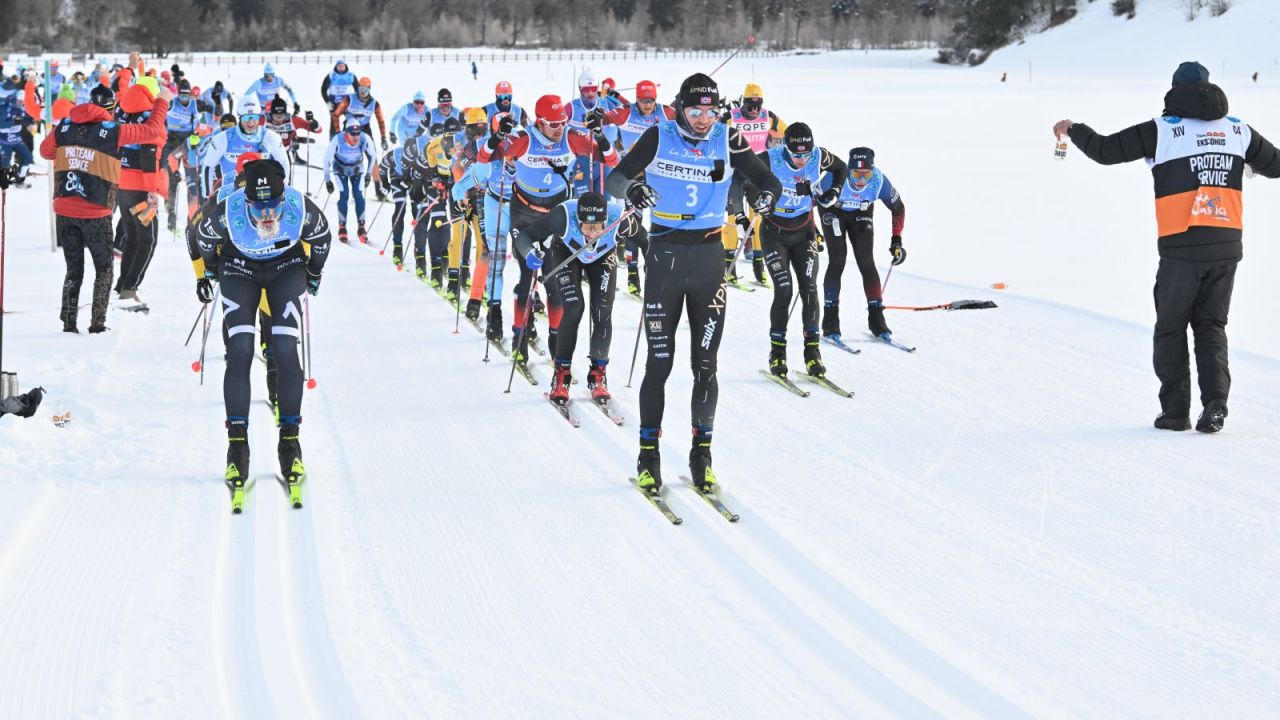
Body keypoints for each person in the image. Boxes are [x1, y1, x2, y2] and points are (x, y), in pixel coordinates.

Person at [1053, 61, 1280, 433]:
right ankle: (1216, 404)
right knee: (1211, 327)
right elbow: (1277, 165)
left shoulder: (1163, 130)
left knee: (1171, 328)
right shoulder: (1238, 129)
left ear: (1174, 93)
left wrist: (1072, 129)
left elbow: (1106, 151)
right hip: (1226, 245)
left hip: (1181, 248)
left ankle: (1175, 413)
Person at [606, 73, 781, 495]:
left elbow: (769, 181)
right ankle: (648, 455)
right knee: (659, 364)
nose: (703, 119)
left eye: (710, 110)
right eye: (694, 110)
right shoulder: (658, 135)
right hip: (665, 257)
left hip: (708, 260)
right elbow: (615, 179)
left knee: (705, 365)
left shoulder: (729, 138)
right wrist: (633, 192)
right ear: (680, 107)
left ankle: (701, 455)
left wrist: (764, 199)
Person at [194, 159, 331, 495]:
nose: (267, 215)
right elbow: (201, 239)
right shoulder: (228, 211)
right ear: (247, 201)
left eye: (274, 206)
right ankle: (237, 447)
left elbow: (323, 239)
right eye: (259, 208)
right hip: (239, 268)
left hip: (287, 268)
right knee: (240, 350)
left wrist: (313, 273)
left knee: (285, 349)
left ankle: (290, 444)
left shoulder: (300, 206)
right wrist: (210, 271)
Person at [477, 94, 618, 359]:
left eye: (563, 122)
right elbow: (484, 158)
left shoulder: (571, 137)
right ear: (539, 122)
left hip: (557, 215)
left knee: (554, 283)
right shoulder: (523, 140)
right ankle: (519, 335)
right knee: (526, 276)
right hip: (524, 213)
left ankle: (555, 340)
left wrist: (599, 135)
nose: (560, 128)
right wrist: (497, 136)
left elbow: (611, 160)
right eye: (554, 124)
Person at [40, 83, 171, 333]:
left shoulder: (65, 125)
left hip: (65, 208)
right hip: (95, 211)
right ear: (111, 108)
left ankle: (68, 322)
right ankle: (97, 324)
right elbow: (153, 130)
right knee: (104, 268)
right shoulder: (114, 130)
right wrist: (162, 102)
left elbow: (45, 152)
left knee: (73, 269)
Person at [513, 191, 646, 404]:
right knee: (574, 307)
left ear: (606, 220)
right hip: (566, 252)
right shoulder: (563, 216)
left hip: (603, 256)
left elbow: (645, 241)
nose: (592, 232)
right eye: (586, 226)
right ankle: (561, 375)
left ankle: (598, 375)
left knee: (603, 310)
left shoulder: (621, 219)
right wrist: (529, 253)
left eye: (597, 226)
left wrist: (653, 267)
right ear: (578, 219)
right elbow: (525, 236)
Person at [749, 122, 846, 379]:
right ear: (786, 149)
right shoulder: (769, 159)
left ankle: (812, 353)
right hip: (774, 233)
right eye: (796, 155)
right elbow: (745, 179)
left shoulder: (819, 156)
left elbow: (841, 169)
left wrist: (833, 192)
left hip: (804, 232)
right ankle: (777, 352)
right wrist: (757, 201)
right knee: (784, 289)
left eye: (806, 154)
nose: (802, 160)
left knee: (810, 288)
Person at [818, 147, 905, 341]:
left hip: (861, 212)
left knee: (866, 262)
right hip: (834, 211)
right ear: (848, 171)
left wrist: (896, 240)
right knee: (838, 259)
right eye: (856, 174)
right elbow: (809, 201)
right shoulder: (832, 178)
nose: (861, 180)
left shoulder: (879, 181)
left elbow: (898, 208)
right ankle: (830, 319)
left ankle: (876, 317)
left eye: (866, 174)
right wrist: (812, 231)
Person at [601, 79, 674, 296]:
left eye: (651, 100)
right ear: (637, 99)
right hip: (634, 175)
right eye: (643, 101)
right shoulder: (626, 112)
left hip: (659, 175)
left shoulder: (665, 112)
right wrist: (597, 118)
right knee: (635, 223)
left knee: (661, 221)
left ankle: (658, 269)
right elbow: (605, 117)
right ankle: (633, 273)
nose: (648, 105)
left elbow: (687, 119)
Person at [723, 82, 787, 286]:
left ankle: (759, 267)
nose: (753, 110)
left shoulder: (769, 117)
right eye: (750, 105)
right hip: (734, 172)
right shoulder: (731, 117)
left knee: (757, 220)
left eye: (757, 105)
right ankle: (728, 267)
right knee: (733, 218)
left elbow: (788, 132)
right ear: (743, 102)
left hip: (756, 172)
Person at [114, 79, 170, 303]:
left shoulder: (121, 111)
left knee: (132, 238)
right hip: (140, 189)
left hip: (122, 185)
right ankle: (129, 288)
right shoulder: (148, 117)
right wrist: (152, 190)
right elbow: (148, 154)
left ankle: (122, 285)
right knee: (147, 240)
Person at [200, 96, 289, 197]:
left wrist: (282, 189)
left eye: (254, 117)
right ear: (239, 117)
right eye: (246, 118)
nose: (251, 123)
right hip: (230, 194)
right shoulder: (223, 138)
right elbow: (208, 166)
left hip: (262, 194)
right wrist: (207, 195)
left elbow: (283, 163)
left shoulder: (270, 137)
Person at [324, 122, 376, 243]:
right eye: (353, 134)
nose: (356, 136)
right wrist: (327, 180)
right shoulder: (337, 140)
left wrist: (369, 174)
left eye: (358, 133)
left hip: (357, 168)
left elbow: (373, 156)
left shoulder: (364, 138)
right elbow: (326, 159)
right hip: (340, 168)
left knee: (358, 195)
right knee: (344, 195)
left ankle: (361, 227)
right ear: (346, 133)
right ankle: (342, 227)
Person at [162, 79, 202, 231]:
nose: (184, 98)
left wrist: (195, 137)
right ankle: (171, 214)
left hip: (186, 142)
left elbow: (197, 125)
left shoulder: (194, 104)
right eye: (181, 95)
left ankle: (191, 220)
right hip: (172, 141)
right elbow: (162, 111)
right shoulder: (173, 102)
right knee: (173, 179)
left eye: (187, 95)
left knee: (192, 183)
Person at [330, 77, 388, 151]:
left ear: (369, 88)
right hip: (349, 128)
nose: (362, 92)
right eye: (361, 89)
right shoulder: (349, 99)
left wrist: (383, 138)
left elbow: (381, 122)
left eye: (365, 89)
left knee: (372, 152)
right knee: (345, 152)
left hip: (365, 128)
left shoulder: (374, 104)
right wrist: (338, 132)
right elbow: (335, 115)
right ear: (358, 87)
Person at [264, 97, 321, 166]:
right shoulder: (264, 120)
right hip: (267, 154)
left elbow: (318, 130)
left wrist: (312, 121)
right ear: (271, 113)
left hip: (284, 154)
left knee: (285, 174)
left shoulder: (292, 120)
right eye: (276, 115)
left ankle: (295, 153)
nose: (279, 118)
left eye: (282, 115)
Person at [0, 93, 32, 188]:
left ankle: (20, 180)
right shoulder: (3, 108)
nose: (21, 103)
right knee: (5, 163)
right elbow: (1, 125)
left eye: (22, 101)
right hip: (5, 141)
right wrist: (13, 122)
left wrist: (30, 125)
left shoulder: (21, 108)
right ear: (14, 100)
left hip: (17, 140)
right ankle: (4, 181)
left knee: (28, 157)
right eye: (19, 101)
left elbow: (25, 119)